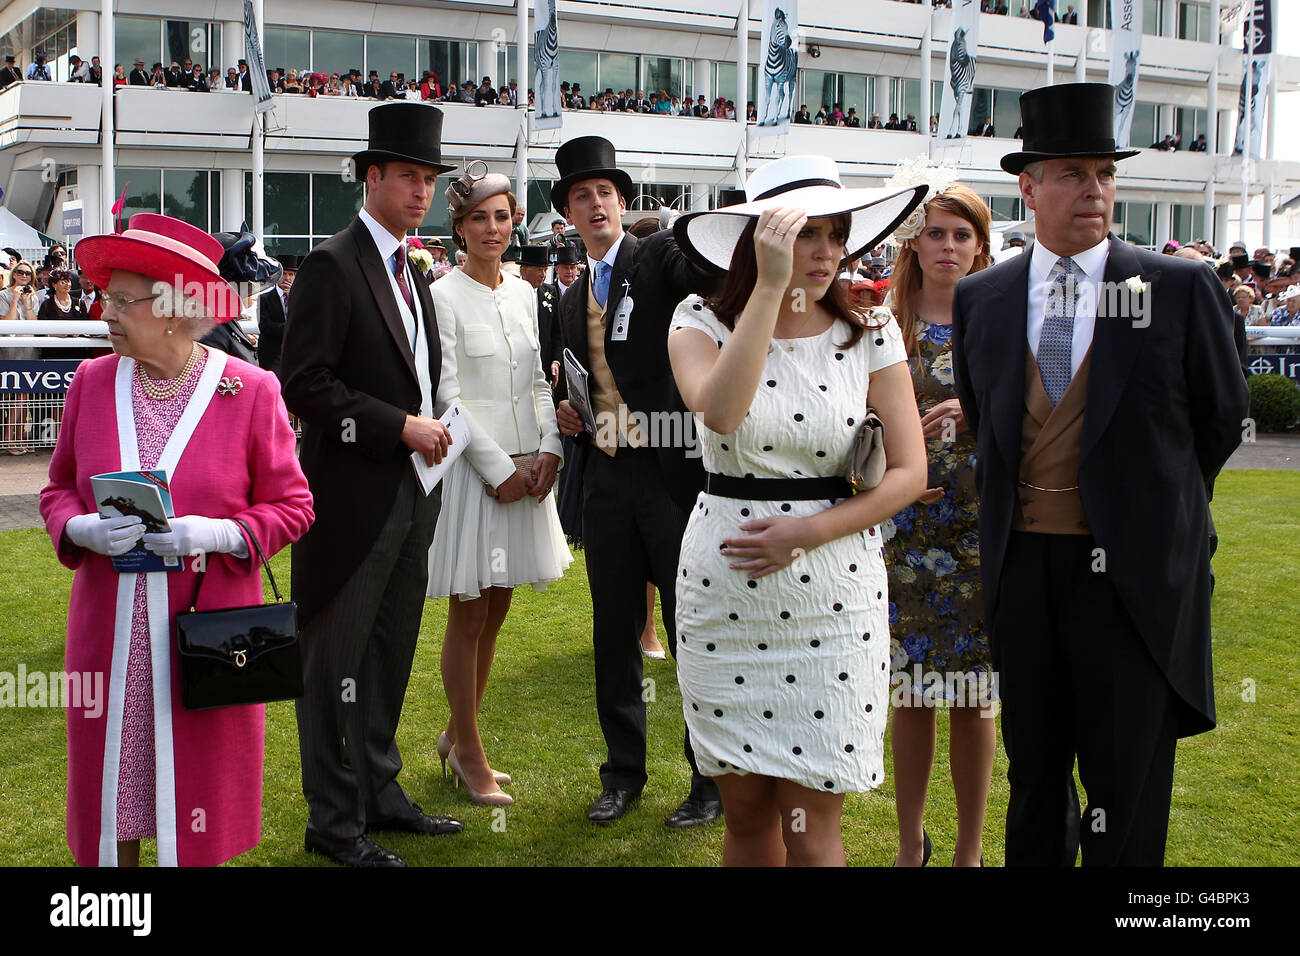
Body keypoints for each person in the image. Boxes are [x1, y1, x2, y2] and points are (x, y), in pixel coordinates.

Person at [951, 82, 1250, 866]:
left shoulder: (1180, 289)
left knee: (1125, 787)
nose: (1094, 189)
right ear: (1030, 185)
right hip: (1025, 579)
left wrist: (1148, 514)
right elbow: (989, 426)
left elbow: (1220, 423)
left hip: (1131, 584)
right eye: (1074, 172)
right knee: (1036, 778)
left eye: (1105, 174)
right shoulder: (983, 297)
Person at [666, 154, 928, 865]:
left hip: (834, 595)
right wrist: (769, 292)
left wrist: (806, 533)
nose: (825, 251)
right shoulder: (697, 319)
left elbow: (908, 472)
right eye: (803, 233)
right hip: (727, 589)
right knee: (746, 813)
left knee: (815, 821)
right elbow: (721, 412)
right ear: (759, 240)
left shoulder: (870, 328)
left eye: (835, 233)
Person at [39, 213, 313, 865]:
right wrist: (81, 527)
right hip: (112, 643)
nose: (104, 308)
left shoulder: (250, 391)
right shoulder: (92, 383)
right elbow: (57, 491)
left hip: (205, 642)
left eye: (121, 298)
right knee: (115, 806)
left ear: (171, 306)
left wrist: (217, 532)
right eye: (105, 295)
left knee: (195, 806)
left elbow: (293, 506)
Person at [280, 102, 464, 867]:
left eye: (430, 180)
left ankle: (379, 793)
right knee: (335, 663)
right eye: (410, 178)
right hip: (351, 502)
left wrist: (431, 426)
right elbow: (303, 384)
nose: (423, 192)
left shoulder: (411, 268)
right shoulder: (332, 264)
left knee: (389, 653)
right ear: (373, 178)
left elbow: (417, 372)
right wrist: (400, 425)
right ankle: (332, 820)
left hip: (414, 493)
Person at [550, 135, 722, 827]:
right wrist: (567, 409)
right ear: (566, 212)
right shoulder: (566, 299)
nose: (595, 205)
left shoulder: (655, 259)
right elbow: (568, 374)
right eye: (581, 196)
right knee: (614, 631)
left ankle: (709, 778)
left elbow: (699, 270)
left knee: (692, 631)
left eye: (605, 194)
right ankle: (623, 774)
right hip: (606, 477)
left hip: (672, 475)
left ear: (623, 203)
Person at [425, 166, 572, 807]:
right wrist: (499, 470)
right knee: (472, 607)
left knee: (502, 601)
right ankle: (469, 752)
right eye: (480, 217)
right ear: (458, 227)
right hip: (472, 475)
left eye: (503, 216)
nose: (493, 228)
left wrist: (548, 450)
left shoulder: (523, 294)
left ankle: (459, 735)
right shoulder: (442, 295)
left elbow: (541, 381)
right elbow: (446, 395)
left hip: (528, 472)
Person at [878, 178, 995, 867]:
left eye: (962, 234)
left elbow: (1040, 418)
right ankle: (907, 844)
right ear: (913, 241)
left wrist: (972, 416)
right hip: (903, 532)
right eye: (936, 232)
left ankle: (970, 850)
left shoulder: (1001, 319)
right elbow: (847, 419)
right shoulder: (883, 317)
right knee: (912, 693)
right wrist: (884, 474)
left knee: (977, 696)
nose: (947, 246)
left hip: (983, 530)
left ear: (980, 247)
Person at [0, 261, 40, 453]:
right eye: (20, 272)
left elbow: (34, 324)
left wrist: (25, 302)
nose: (24, 276)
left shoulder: (32, 297)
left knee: (24, 395)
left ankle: (16, 436)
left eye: (27, 273)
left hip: (28, 349)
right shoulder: (3, 295)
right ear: (14, 274)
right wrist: (15, 299)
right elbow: (5, 322)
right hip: (9, 350)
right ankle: (8, 438)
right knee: (11, 395)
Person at [256, 254, 298, 377]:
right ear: (277, 276)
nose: (287, 278)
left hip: (295, 355)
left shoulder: (300, 299)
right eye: (284, 274)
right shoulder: (264, 298)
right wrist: (291, 327)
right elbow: (264, 326)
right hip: (271, 355)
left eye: (291, 274)